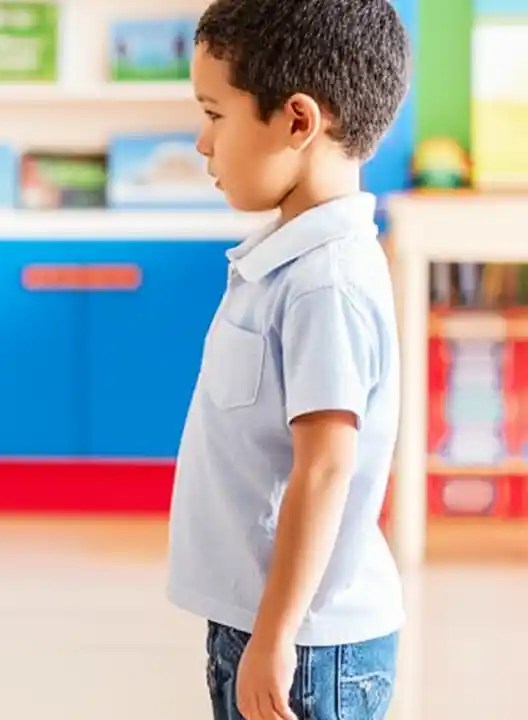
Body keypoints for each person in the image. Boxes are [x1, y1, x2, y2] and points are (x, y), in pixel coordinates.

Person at [165, 1, 410, 719]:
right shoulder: (289, 263)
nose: (203, 143)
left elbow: (326, 465)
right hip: (266, 623)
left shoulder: (324, 284)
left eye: (216, 114)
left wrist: (274, 635)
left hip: (305, 643)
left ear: (298, 121)